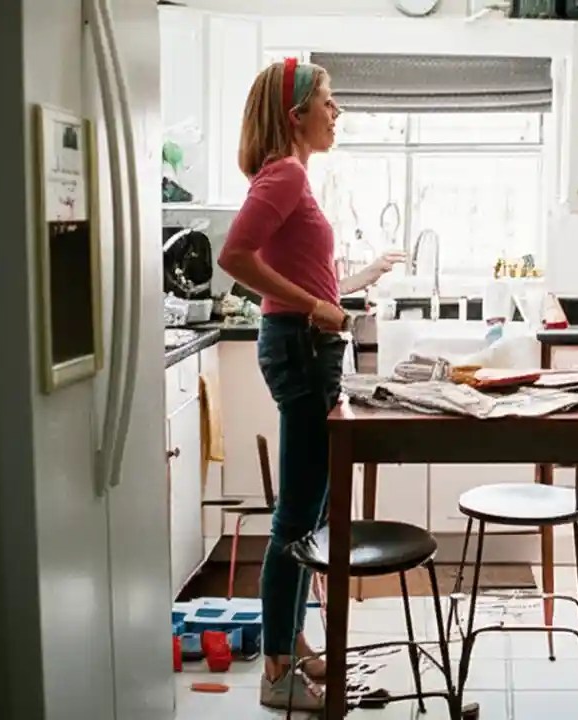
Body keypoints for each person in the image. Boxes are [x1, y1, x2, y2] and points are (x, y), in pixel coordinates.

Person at [218, 58, 403, 711]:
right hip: (300, 347)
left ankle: (292, 646)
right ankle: (276, 674)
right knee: (296, 516)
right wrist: (320, 310)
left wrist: (348, 288)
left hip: (306, 342)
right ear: (296, 114)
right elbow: (233, 257)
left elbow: (310, 284)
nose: (337, 111)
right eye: (328, 100)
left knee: (309, 512)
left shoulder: (291, 177)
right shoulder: (287, 172)